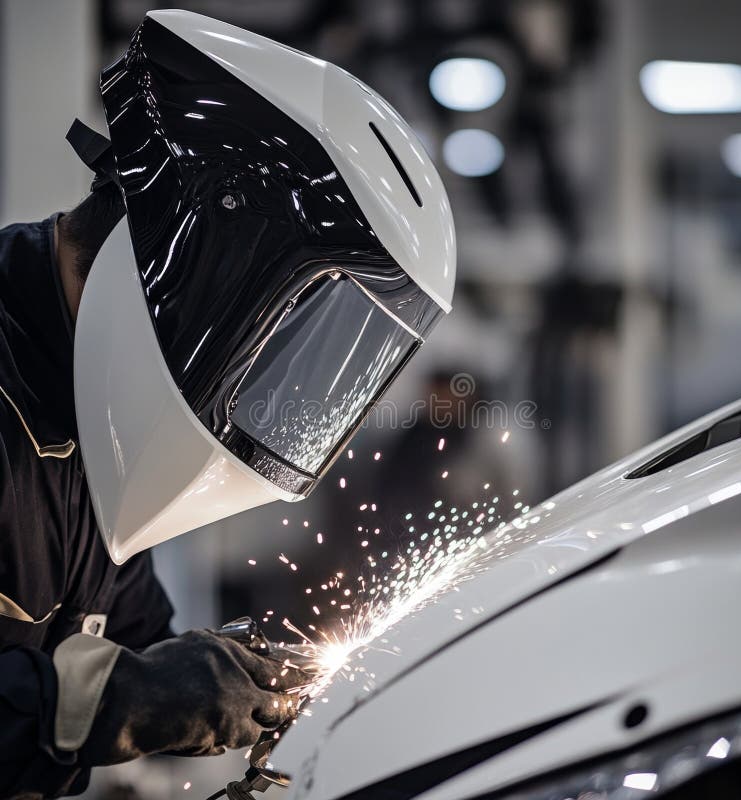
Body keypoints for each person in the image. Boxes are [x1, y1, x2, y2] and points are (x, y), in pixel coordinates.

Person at [0, 9, 455, 798]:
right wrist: (111, 702)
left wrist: (233, 681)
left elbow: (136, 642)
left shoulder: (96, 412)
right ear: (206, 250)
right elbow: (105, 692)